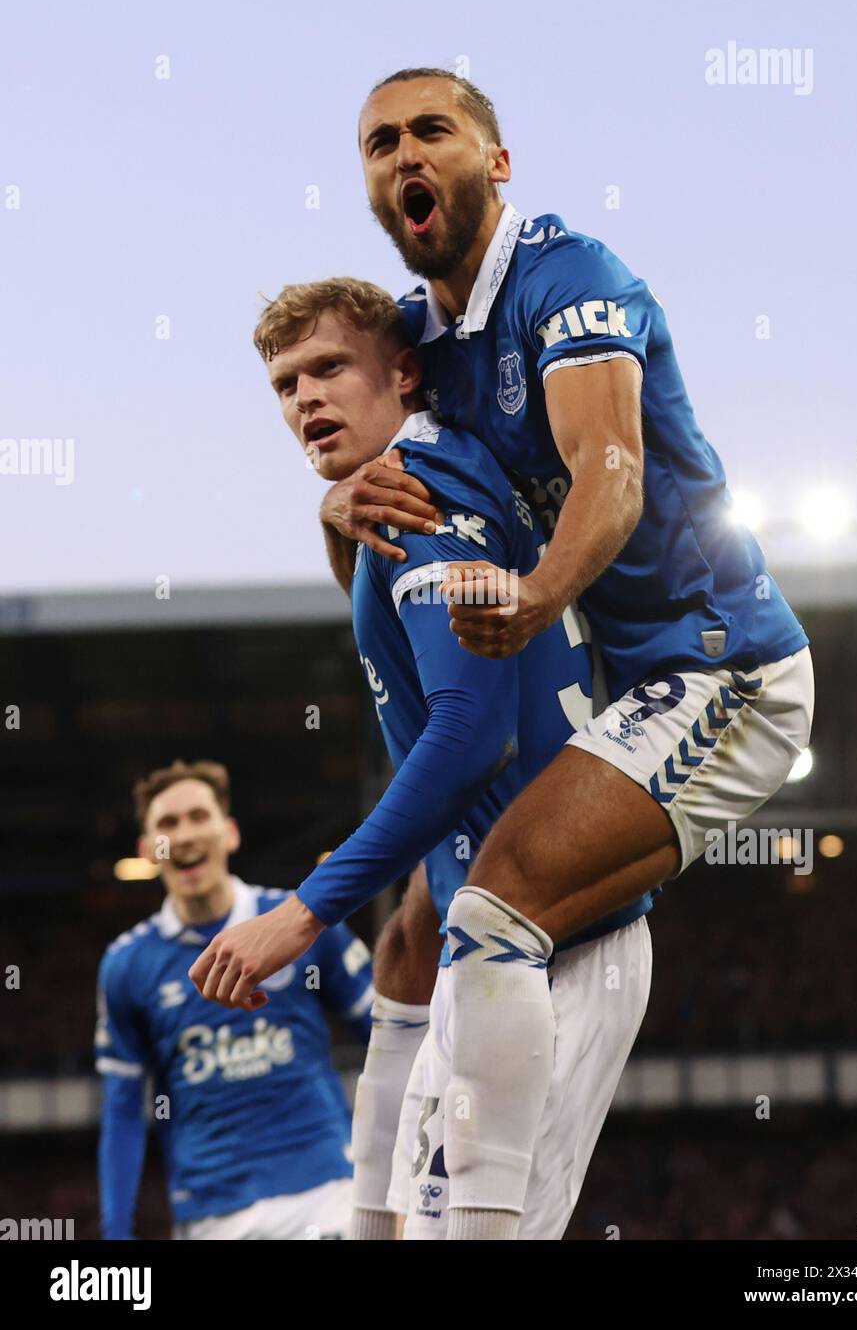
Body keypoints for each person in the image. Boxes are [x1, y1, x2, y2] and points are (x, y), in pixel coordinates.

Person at [312, 67, 814, 1240]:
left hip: (716, 671)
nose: (403, 155)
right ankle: (375, 1223)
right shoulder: (418, 342)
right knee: (414, 930)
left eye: (431, 130)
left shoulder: (568, 277)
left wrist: (534, 596)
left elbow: (612, 472)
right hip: (609, 687)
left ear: (494, 162)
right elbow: (381, 549)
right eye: (379, 142)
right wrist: (338, 510)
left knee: (490, 910)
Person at [190, 279, 654, 1240]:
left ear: (404, 373)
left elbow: (472, 735)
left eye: (328, 369)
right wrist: (332, 517)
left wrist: (302, 914)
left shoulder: (420, 491)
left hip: (549, 948)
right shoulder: (408, 481)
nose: (305, 399)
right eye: (285, 384)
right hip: (492, 941)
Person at [95, 758, 373, 1240]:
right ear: (147, 849)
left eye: (199, 817)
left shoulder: (301, 923)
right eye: (167, 824)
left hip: (327, 1195)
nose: (183, 836)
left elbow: (389, 1031)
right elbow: (123, 1108)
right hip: (212, 1215)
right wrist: (116, 1233)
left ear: (230, 833)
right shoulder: (126, 964)